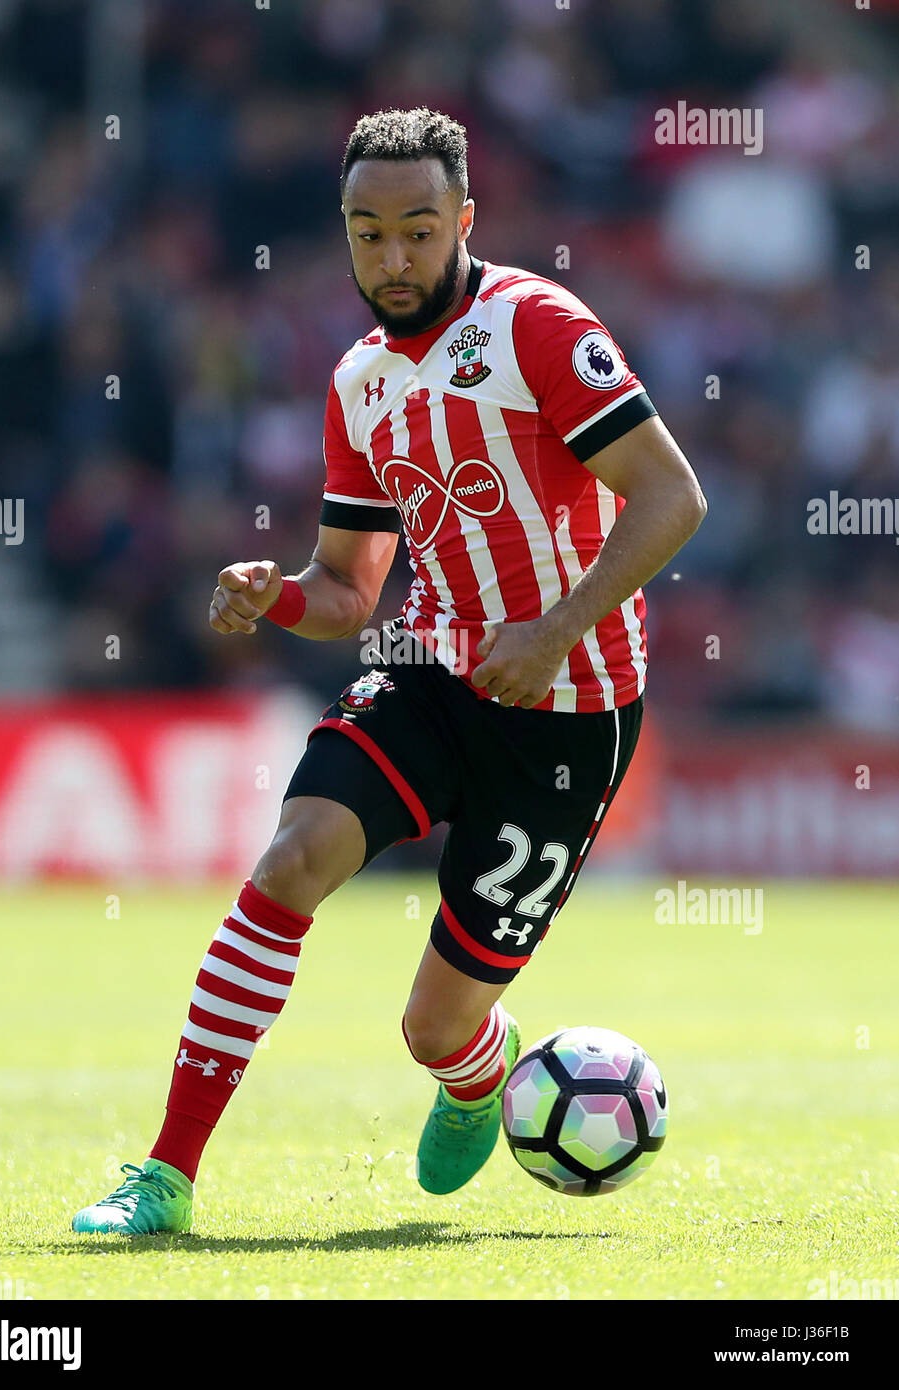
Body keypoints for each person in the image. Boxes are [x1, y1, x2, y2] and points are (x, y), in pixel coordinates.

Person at [73, 108, 706, 1235]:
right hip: (432, 670)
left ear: (465, 218)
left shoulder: (537, 328)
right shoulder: (360, 379)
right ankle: (162, 1178)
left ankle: (477, 1074)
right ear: (346, 235)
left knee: (434, 1030)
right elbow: (351, 590)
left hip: (570, 711)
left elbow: (674, 497)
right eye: (369, 234)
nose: (394, 258)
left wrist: (556, 627)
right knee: (291, 859)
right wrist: (277, 596)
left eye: (419, 230)